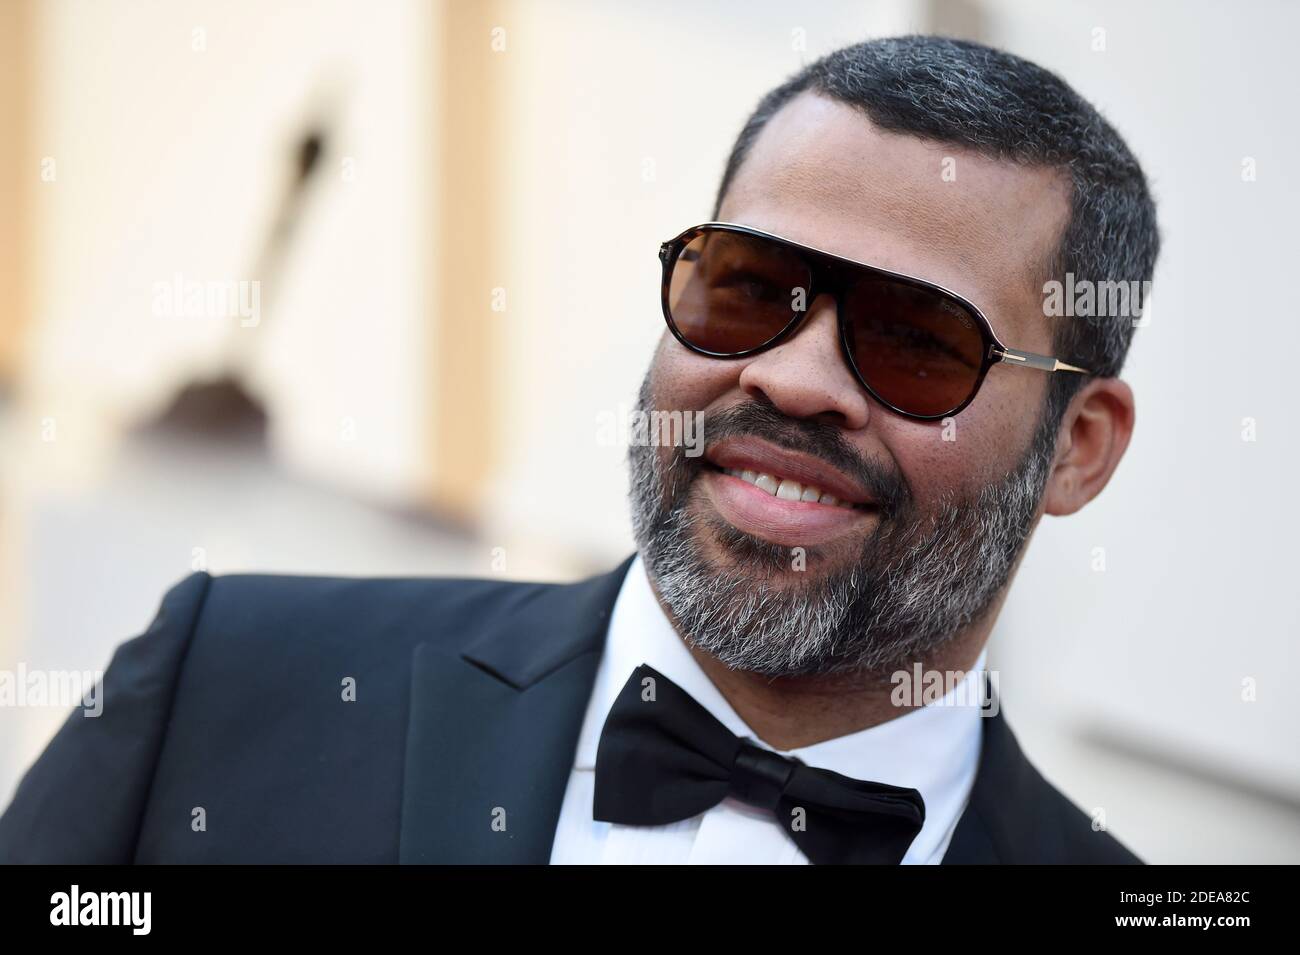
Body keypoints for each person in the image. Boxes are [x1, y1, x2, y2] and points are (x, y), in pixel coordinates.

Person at [0, 35, 1157, 864]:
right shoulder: (224, 684)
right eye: (748, 287)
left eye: (914, 339)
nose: (794, 380)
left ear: (1079, 447)